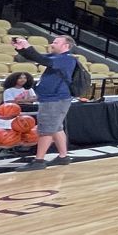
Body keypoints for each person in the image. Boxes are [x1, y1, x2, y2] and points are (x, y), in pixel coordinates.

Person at [11, 36, 77, 166]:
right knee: (57, 128)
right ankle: (63, 157)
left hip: (54, 99)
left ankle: (39, 160)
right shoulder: (58, 57)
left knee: (46, 130)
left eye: (56, 42)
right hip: (54, 98)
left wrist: (27, 46)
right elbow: (36, 57)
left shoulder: (67, 59)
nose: (52, 44)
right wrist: (22, 49)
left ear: (66, 46)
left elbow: (42, 59)